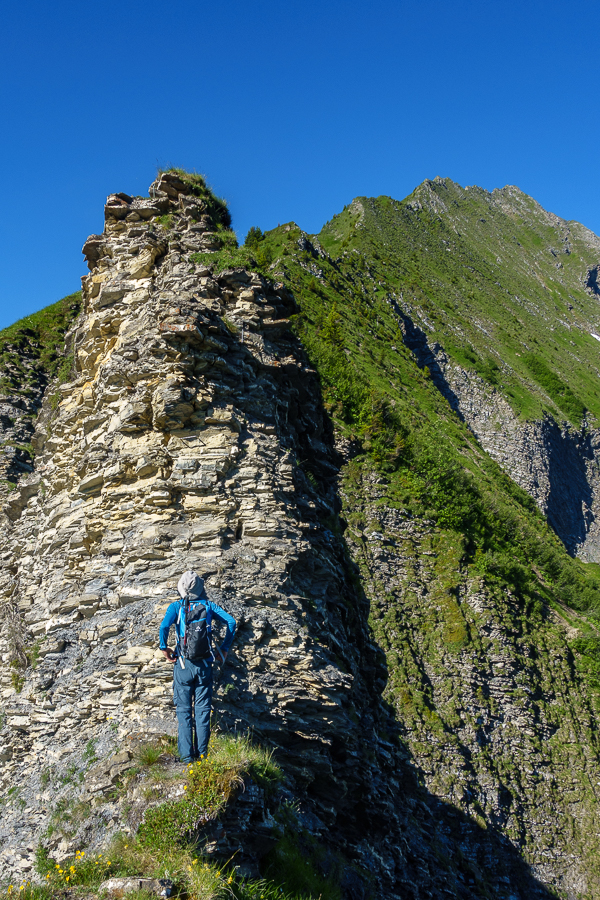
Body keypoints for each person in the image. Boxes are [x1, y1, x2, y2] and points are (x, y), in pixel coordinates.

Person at [159, 571, 236, 763]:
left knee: (184, 711)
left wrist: (164, 647)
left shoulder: (176, 606)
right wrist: (224, 648)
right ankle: (202, 755)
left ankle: (186, 757)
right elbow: (231, 622)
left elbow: (164, 627)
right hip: (204, 665)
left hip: (183, 665)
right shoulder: (208, 606)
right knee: (202, 711)